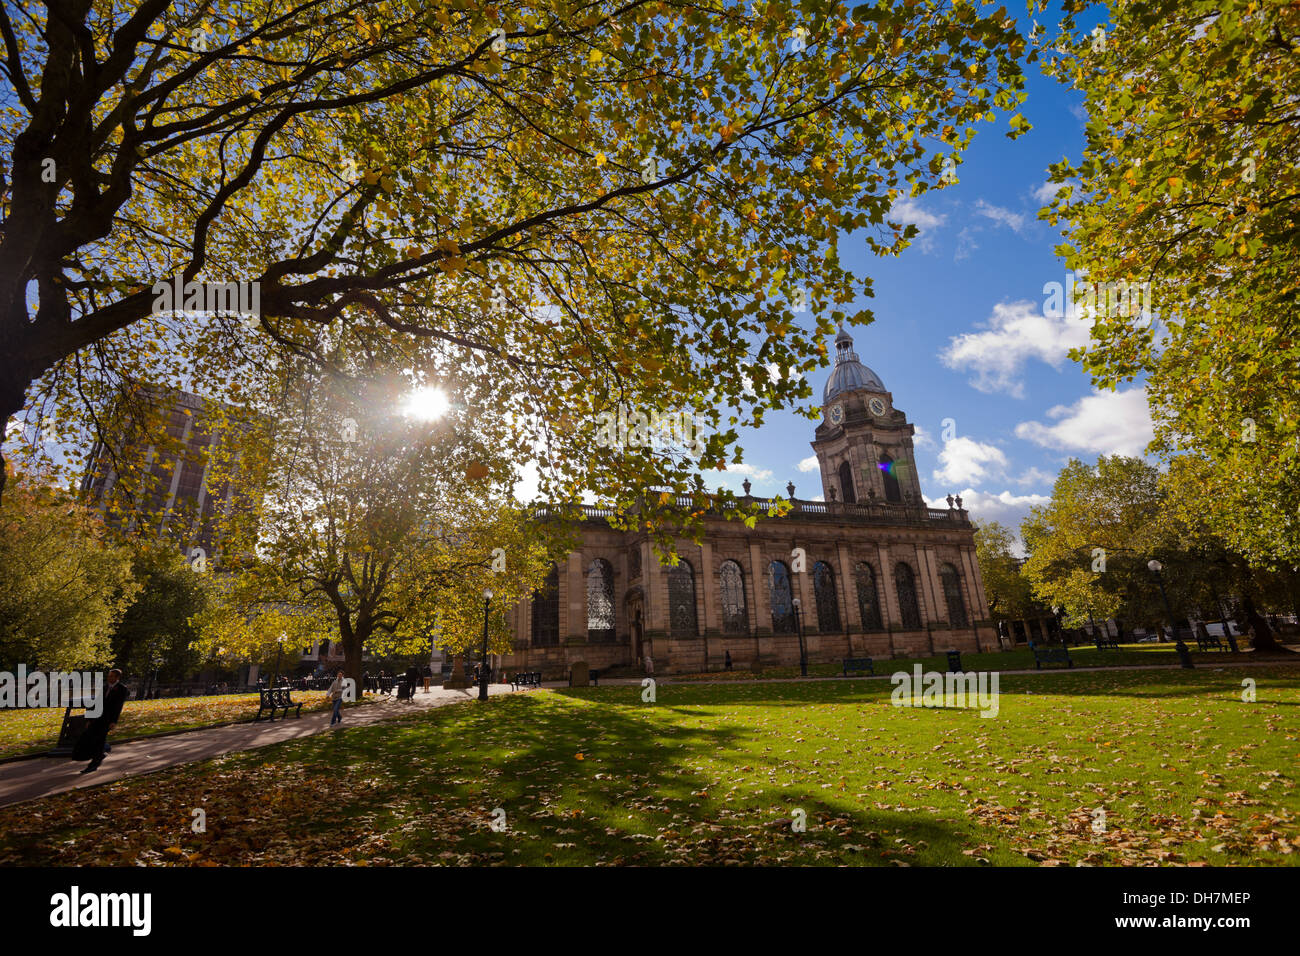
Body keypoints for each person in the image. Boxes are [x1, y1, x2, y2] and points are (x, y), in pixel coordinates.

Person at [76, 668, 129, 773]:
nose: (109, 678)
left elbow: (118, 706)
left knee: (99, 741)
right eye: (109, 675)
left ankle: (93, 765)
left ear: (117, 677)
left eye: (112, 676)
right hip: (96, 718)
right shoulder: (103, 687)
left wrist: (114, 721)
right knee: (90, 738)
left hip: (107, 720)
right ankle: (100, 754)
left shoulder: (122, 689)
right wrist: (89, 719)